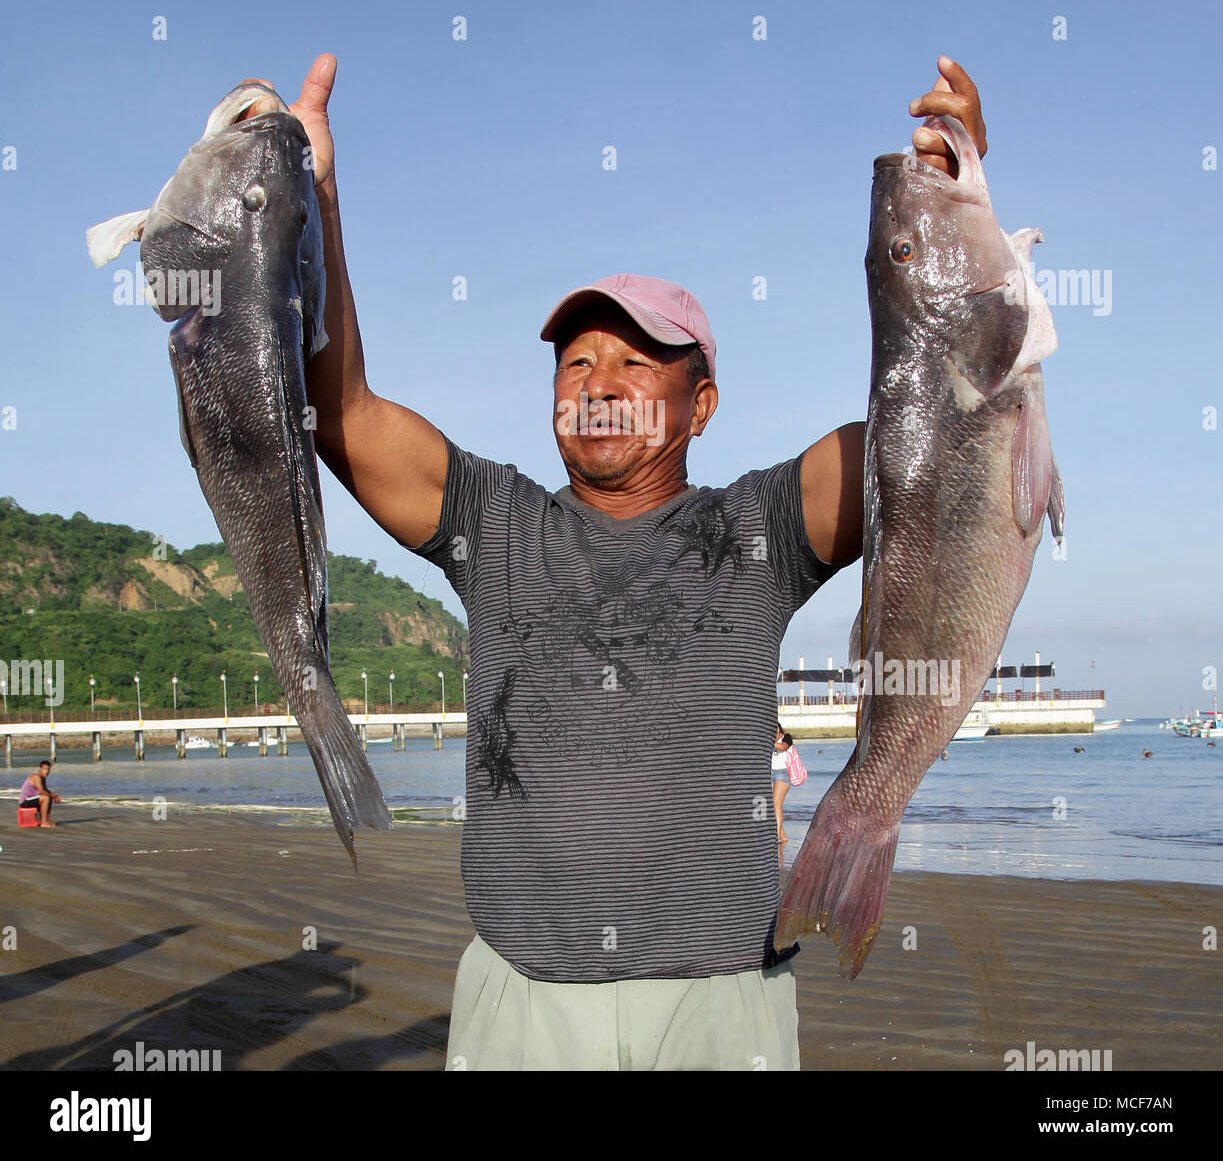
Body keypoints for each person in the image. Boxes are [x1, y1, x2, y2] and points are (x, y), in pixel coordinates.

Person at [237, 52, 986, 1071]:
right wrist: (313, 200)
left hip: (722, 1004)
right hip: (521, 1006)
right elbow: (346, 417)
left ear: (701, 402)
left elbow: (931, 426)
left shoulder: (764, 523)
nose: (600, 380)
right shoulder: (491, 518)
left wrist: (947, 218)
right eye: (577, 359)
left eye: (638, 361)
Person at [19, 761, 60, 827]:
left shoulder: (43, 778)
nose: (46, 772)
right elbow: (42, 791)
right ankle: (43, 822)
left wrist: (54, 795)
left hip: (33, 798)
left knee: (49, 797)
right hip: (25, 801)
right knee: (45, 798)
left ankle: (47, 820)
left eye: (48, 769)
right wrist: (54, 796)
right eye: (44, 769)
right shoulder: (36, 777)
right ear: (40, 769)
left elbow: (46, 790)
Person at [772, 729, 794, 846]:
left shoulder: (786, 737)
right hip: (770, 773)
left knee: (777, 803)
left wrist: (770, 742)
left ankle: (777, 835)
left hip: (782, 773)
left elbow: (783, 747)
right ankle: (783, 835)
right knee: (771, 804)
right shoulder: (771, 739)